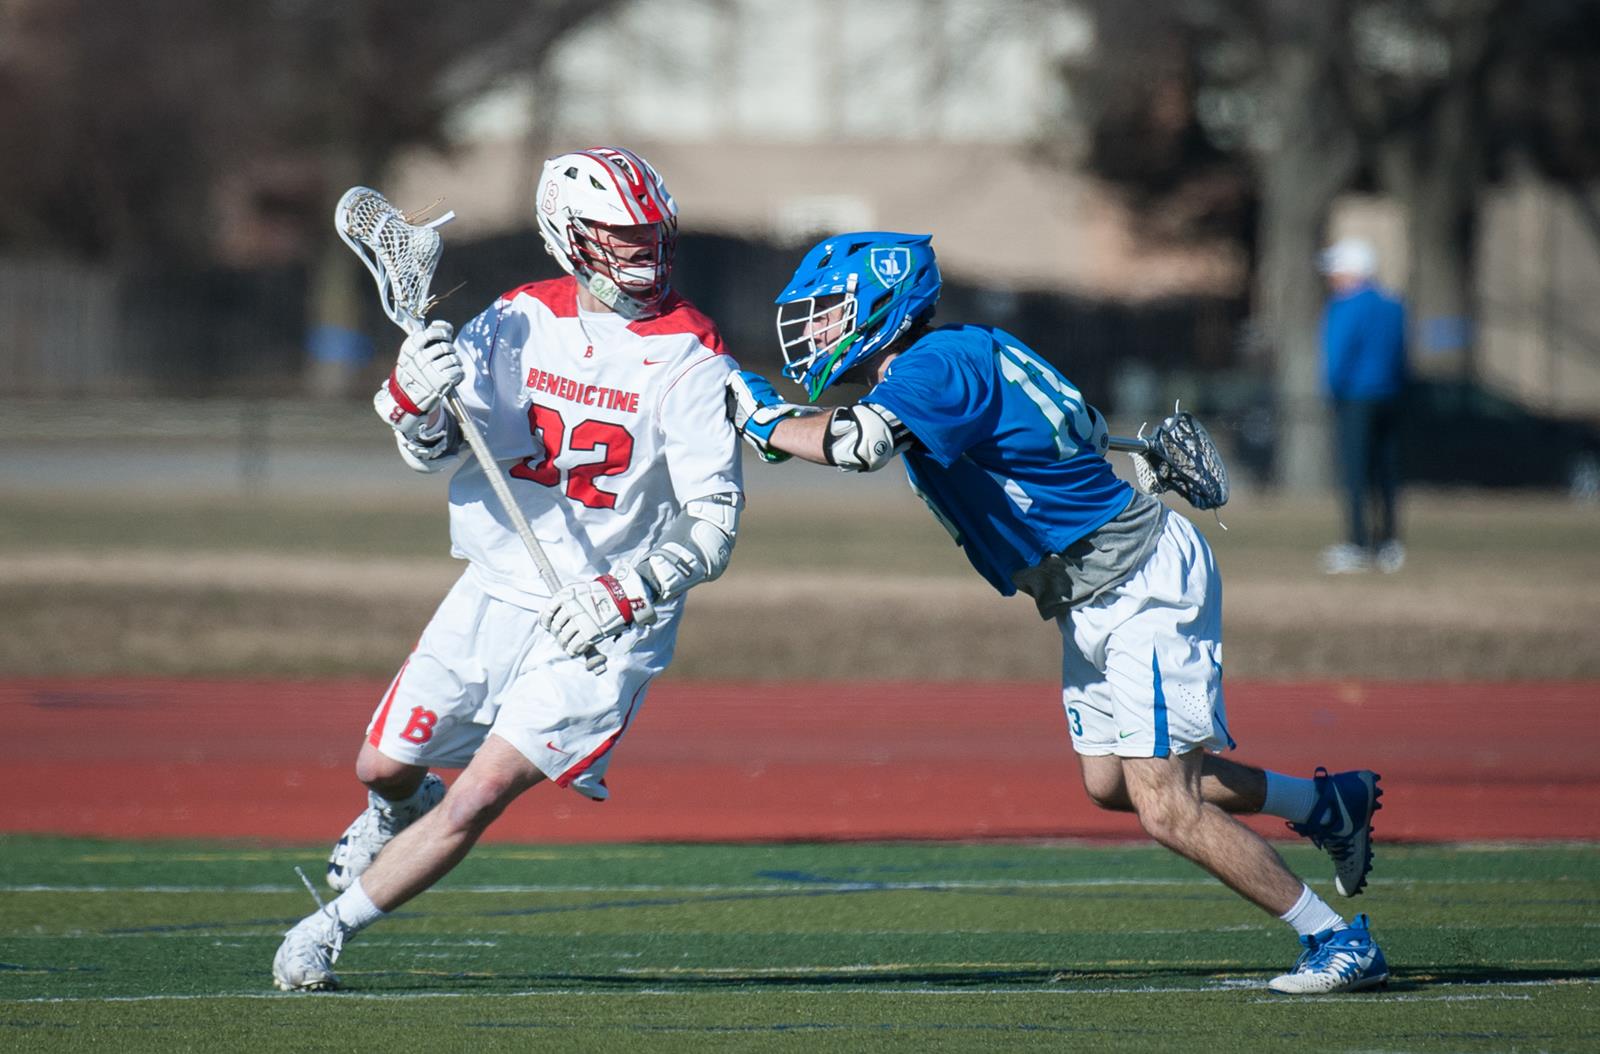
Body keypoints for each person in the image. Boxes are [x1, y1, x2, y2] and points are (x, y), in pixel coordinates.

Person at [726, 231, 1389, 994]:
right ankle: (1324, 803)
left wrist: (763, 420)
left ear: (882, 304)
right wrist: (779, 426)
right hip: (1093, 587)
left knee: (1164, 806)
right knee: (1110, 782)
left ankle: (1335, 939)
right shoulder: (952, 356)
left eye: (828, 314)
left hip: (1138, 581)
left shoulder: (933, 366)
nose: (812, 332)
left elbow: (860, 445)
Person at [273, 146, 743, 991]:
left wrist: (622, 592)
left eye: (652, 238)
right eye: (621, 238)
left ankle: (324, 932)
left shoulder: (692, 356)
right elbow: (437, 448)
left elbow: (715, 524)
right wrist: (417, 400)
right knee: (382, 768)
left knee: (482, 789)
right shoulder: (519, 318)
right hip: (495, 587)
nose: (645, 254)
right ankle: (393, 812)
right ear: (568, 235)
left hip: (606, 619)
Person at [1317, 237, 1408, 575]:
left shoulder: (1345, 306)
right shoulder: (1393, 305)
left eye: (1337, 271)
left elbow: (1337, 354)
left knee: (1355, 473)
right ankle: (1388, 543)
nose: (1332, 278)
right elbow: (1401, 354)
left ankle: (1356, 543)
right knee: (1385, 471)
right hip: (1390, 396)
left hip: (1355, 397)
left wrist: (1332, 391)